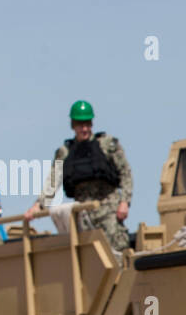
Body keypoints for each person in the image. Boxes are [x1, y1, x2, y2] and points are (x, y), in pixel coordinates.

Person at [25, 100, 132, 252]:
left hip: (109, 208)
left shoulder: (107, 145)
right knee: (89, 256)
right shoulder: (65, 152)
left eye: (88, 124)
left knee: (116, 252)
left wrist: (125, 202)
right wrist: (38, 205)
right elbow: (53, 182)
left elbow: (125, 173)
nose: (84, 128)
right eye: (80, 124)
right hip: (83, 212)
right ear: (73, 126)